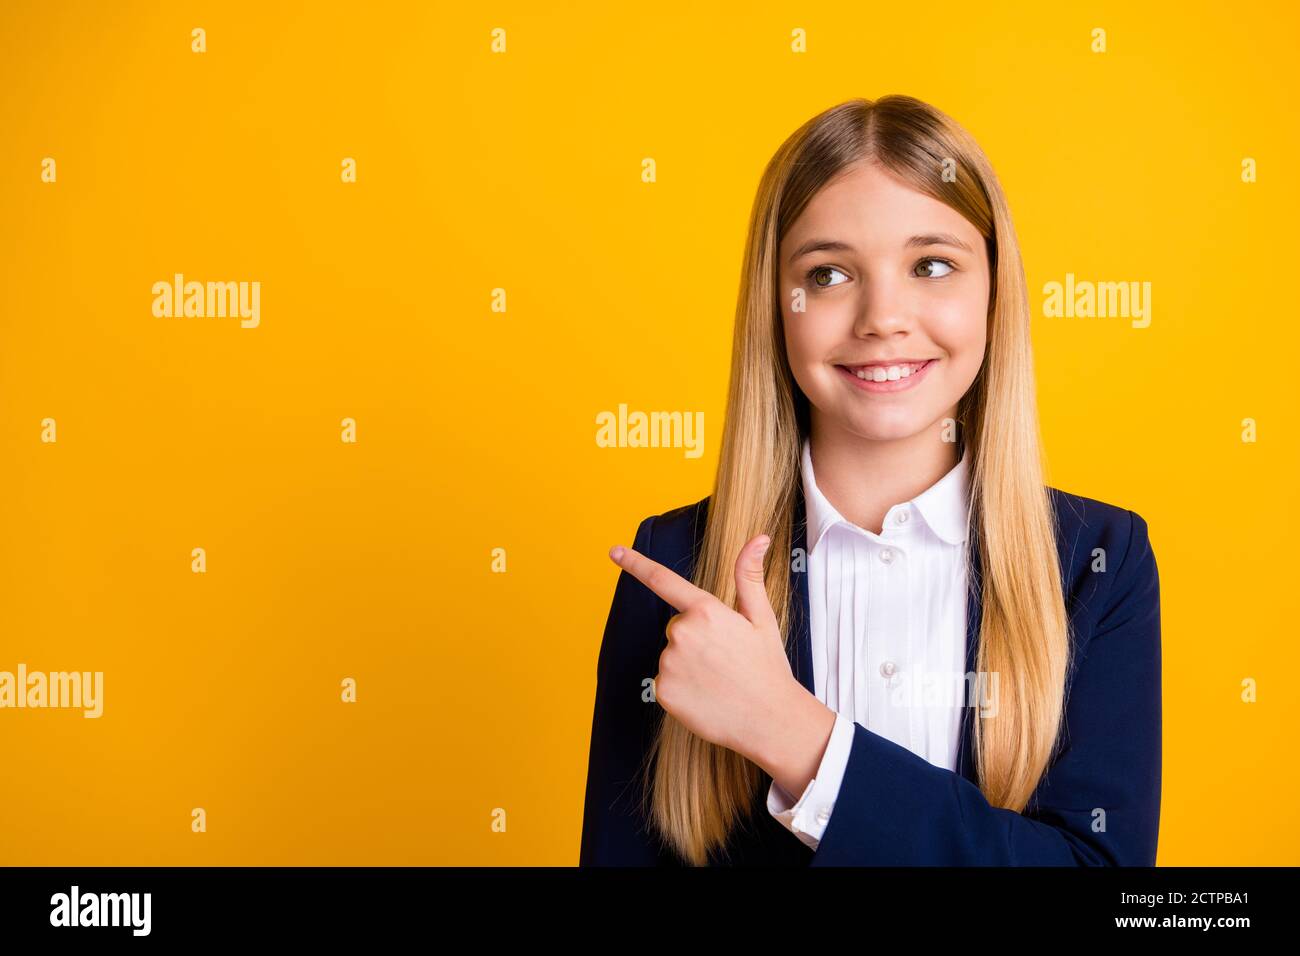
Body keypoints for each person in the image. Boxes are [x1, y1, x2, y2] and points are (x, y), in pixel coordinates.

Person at [580, 95, 1161, 867]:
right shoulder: (678, 568)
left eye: (931, 265)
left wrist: (797, 739)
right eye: (827, 274)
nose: (882, 317)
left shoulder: (1098, 562)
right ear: (774, 305)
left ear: (995, 285)